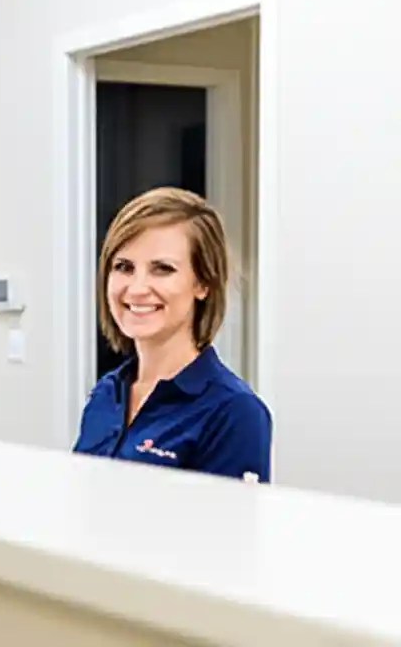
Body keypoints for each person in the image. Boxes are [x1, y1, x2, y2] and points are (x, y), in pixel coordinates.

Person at [72, 187, 272, 482]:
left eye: (162, 269)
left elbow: (228, 528)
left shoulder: (234, 413)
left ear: (203, 283)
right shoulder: (105, 395)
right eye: (123, 267)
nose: (137, 288)